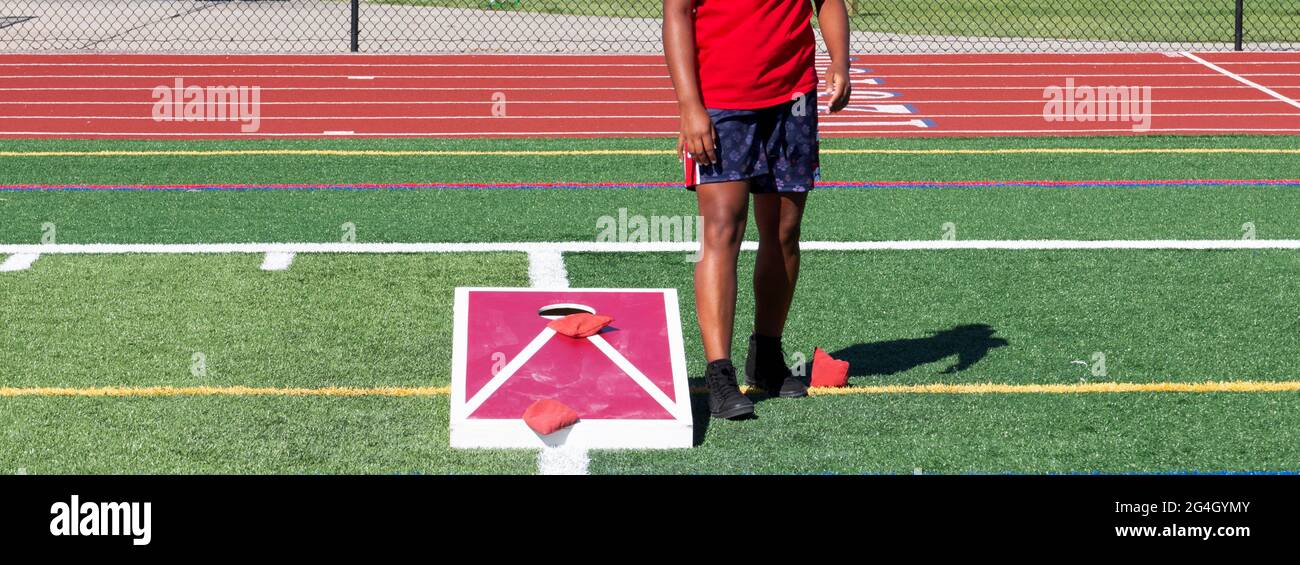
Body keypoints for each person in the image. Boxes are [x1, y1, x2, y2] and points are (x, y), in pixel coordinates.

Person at [662, 0, 852, 419]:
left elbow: (829, 2)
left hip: (792, 101)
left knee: (784, 231)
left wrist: (840, 59)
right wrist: (689, 106)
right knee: (723, 229)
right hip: (720, 101)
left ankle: (766, 355)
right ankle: (720, 374)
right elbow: (676, 13)